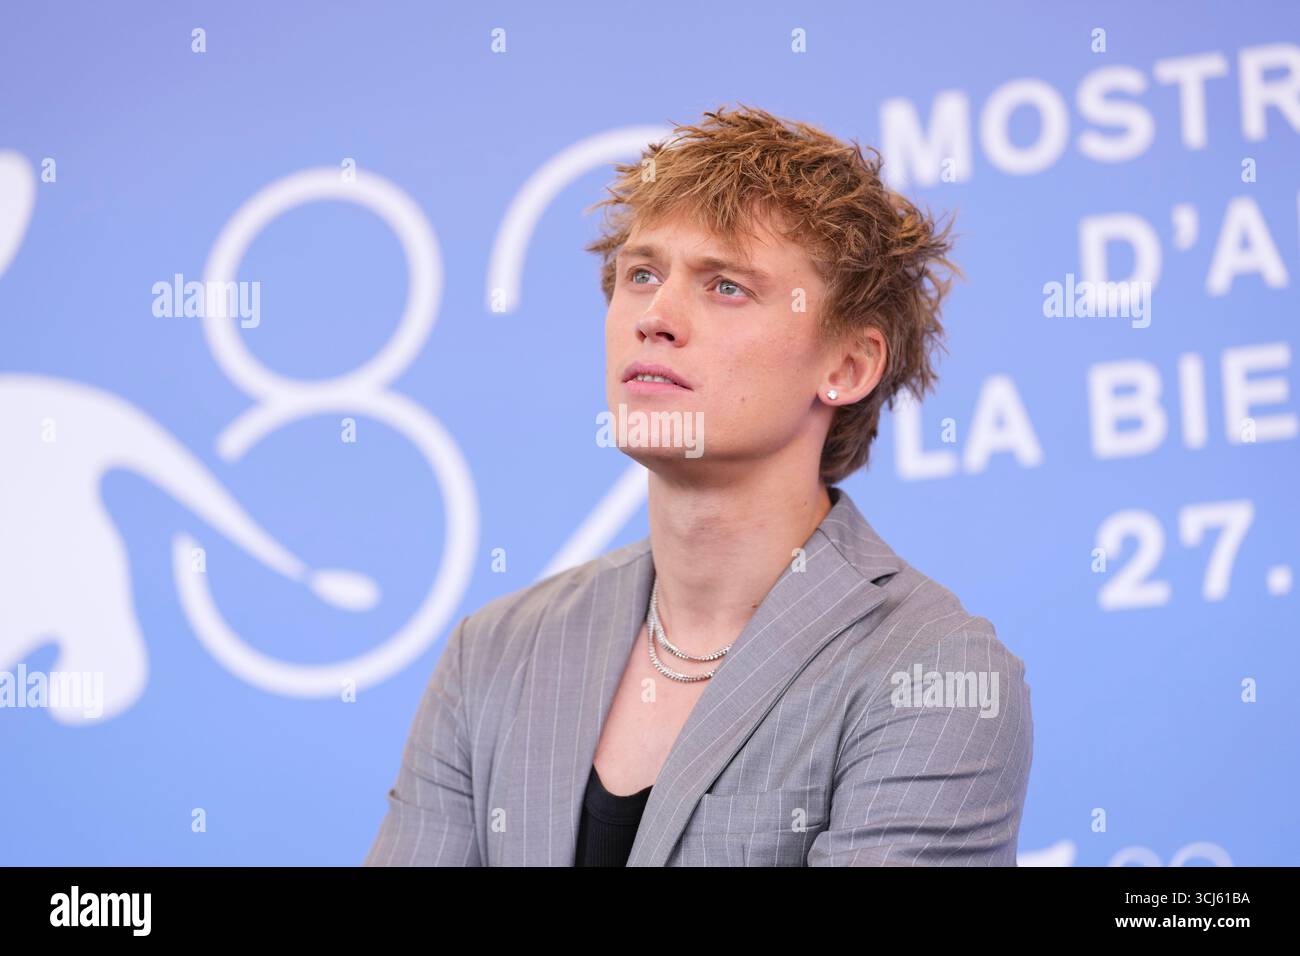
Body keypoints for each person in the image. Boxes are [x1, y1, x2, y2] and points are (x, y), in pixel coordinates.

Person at [364, 104, 1033, 867]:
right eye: (641, 274)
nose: (655, 316)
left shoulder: (936, 672)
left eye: (725, 287)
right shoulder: (496, 651)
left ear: (847, 366)